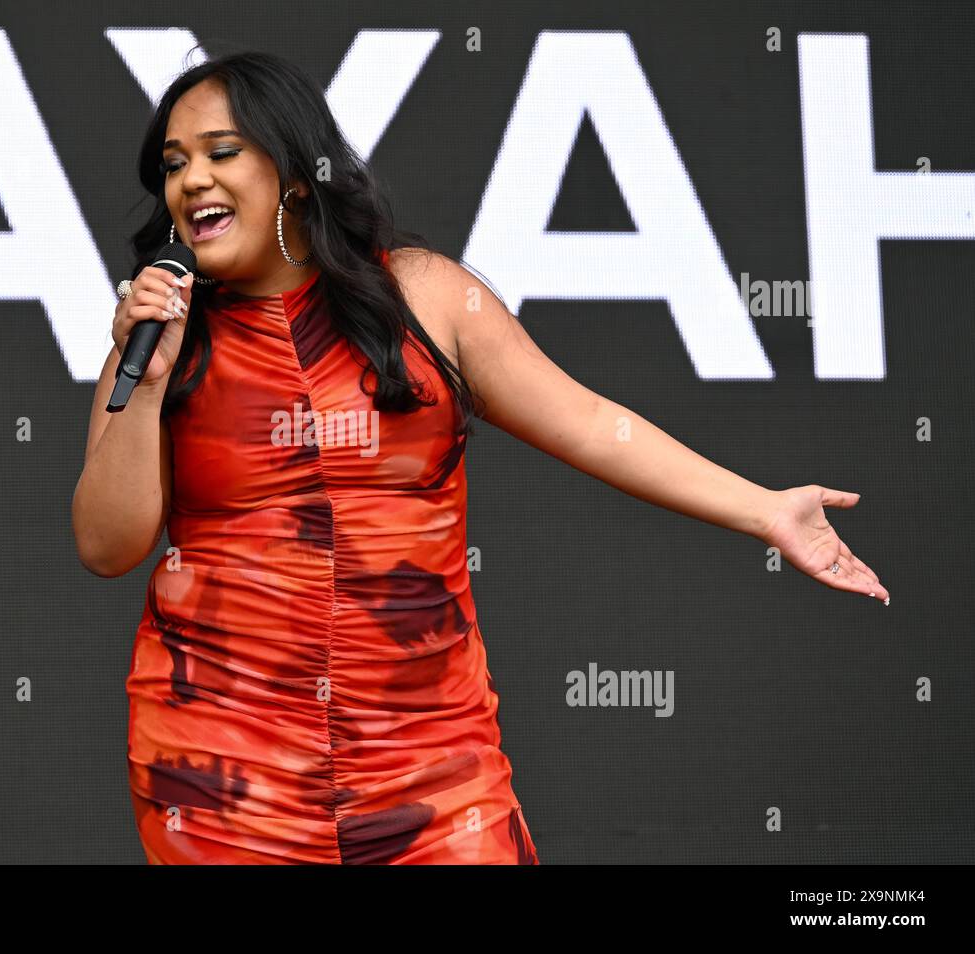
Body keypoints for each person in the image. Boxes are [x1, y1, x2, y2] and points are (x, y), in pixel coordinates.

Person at [71, 50, 890, 865]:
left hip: (429, 764)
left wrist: (767, 509)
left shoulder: (424, 297)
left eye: (221, 153)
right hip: (226, 774)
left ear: (291, 172)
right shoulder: (157, 344)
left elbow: (590, 424)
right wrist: (147, 378)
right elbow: (107, 545)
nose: (192, 182)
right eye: (174, 165)